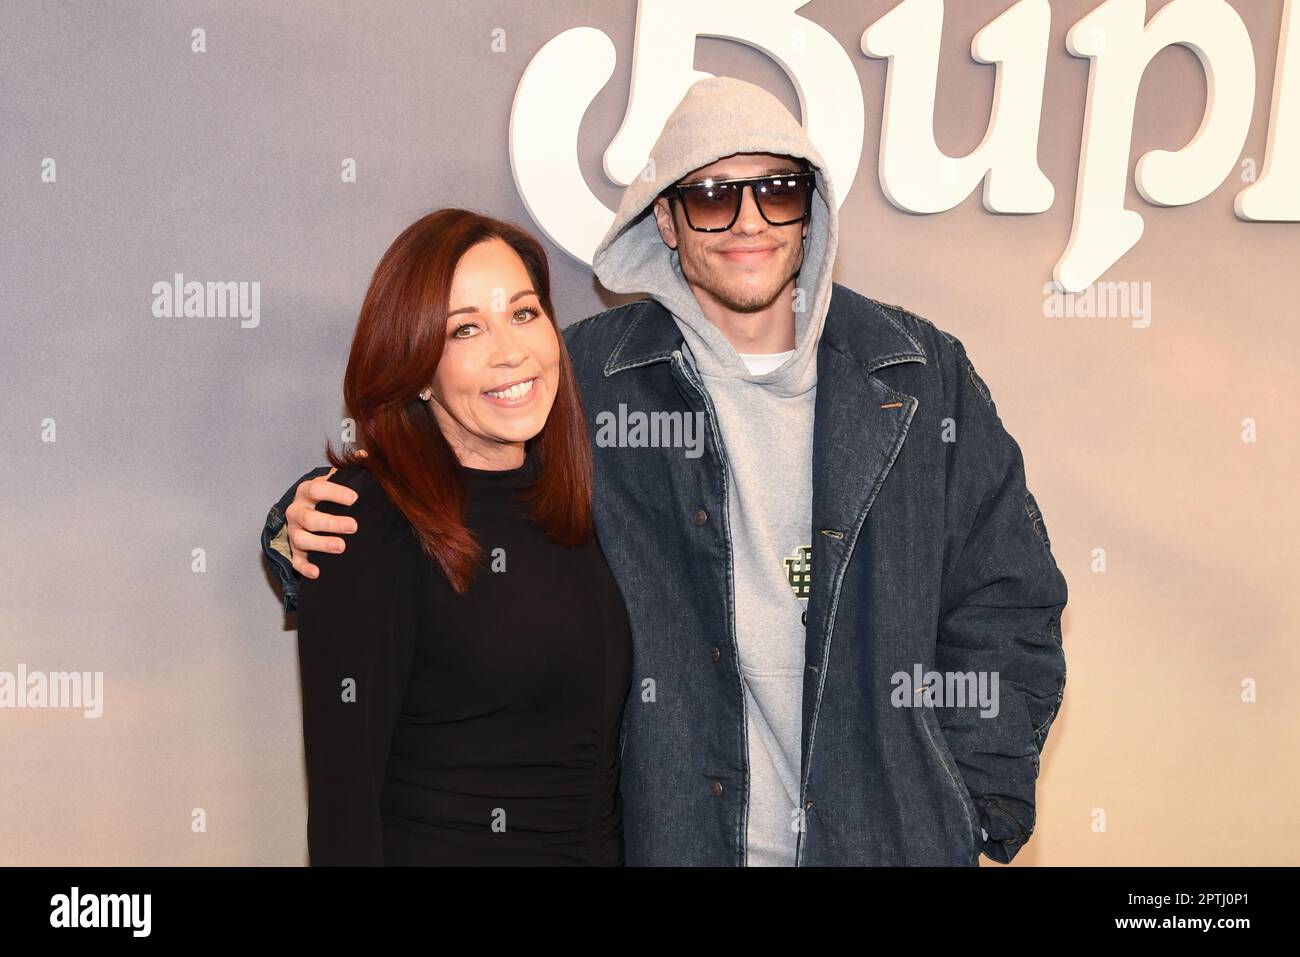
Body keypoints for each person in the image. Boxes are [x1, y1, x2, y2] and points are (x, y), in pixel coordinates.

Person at [264, 76, 1068, 866]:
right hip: (676, 836)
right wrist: (296, 529)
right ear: (669, 221)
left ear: (810, 207)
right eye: (714, 195)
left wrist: (970, 805)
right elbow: (442, 465)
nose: (748, 221)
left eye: (777, 190)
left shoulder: (920, 374)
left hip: (887, 840)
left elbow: (1010, 594)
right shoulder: (589, 376)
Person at [293, 208, 632, 865]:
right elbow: (344, 807)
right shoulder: (366, 521)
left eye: (525, 313)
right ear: (417, 365)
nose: (511, 351)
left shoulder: (577, 502)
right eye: (466, 328)